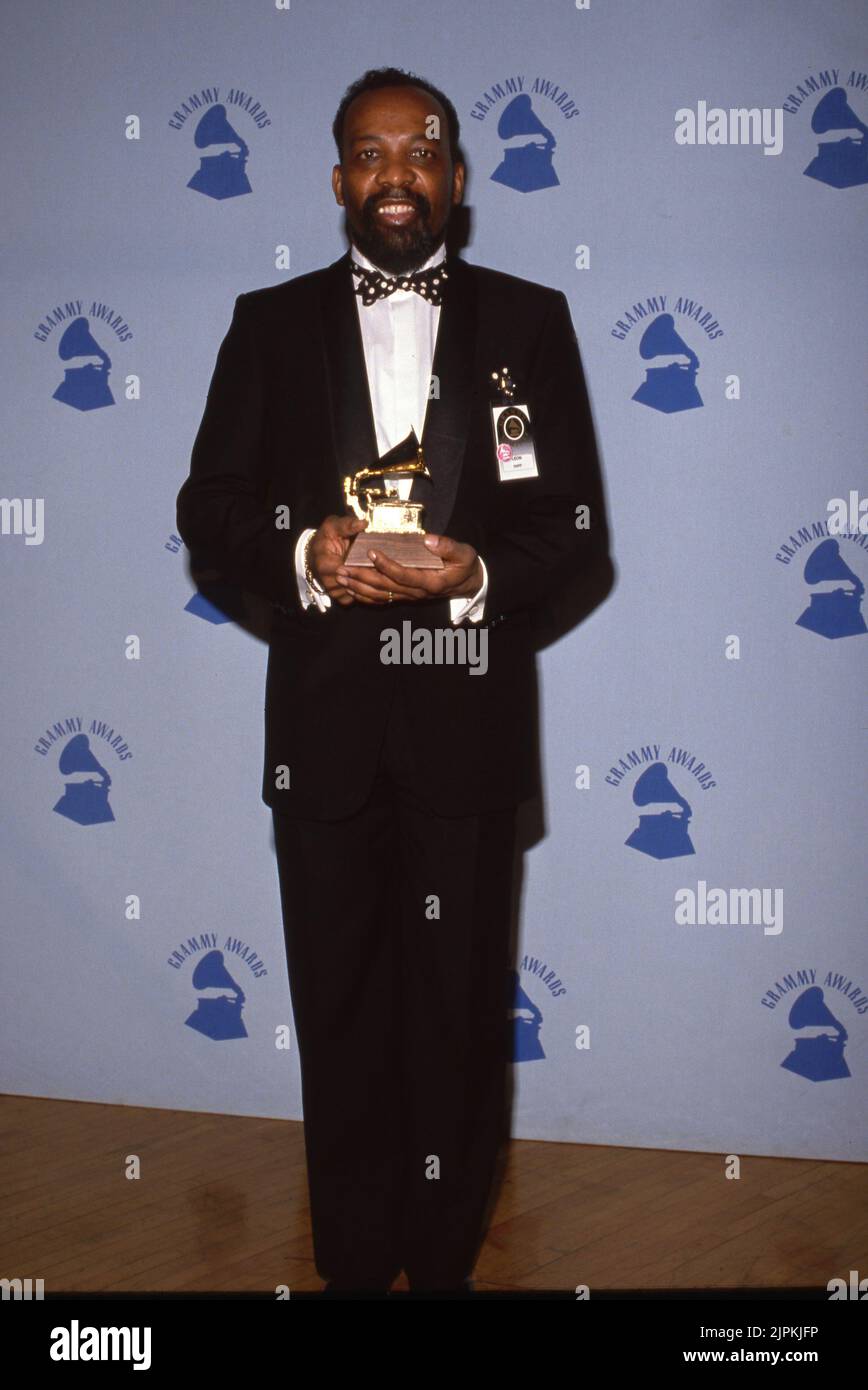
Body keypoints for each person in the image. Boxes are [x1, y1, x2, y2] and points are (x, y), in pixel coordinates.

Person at [176, 66, 611, 1296]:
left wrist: (473, 572)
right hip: (322, 737)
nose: (395, 174)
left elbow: (571, 528)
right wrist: (298, 554)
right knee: (342, 1012)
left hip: (465, 726)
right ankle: (356, 1269)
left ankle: (443, 1261)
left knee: (461, 1015)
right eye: (368, 155)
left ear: (457, 179)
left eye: (419, 151)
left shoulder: (529, 322)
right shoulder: (267, 324)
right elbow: (206, 507)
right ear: (337, 183)